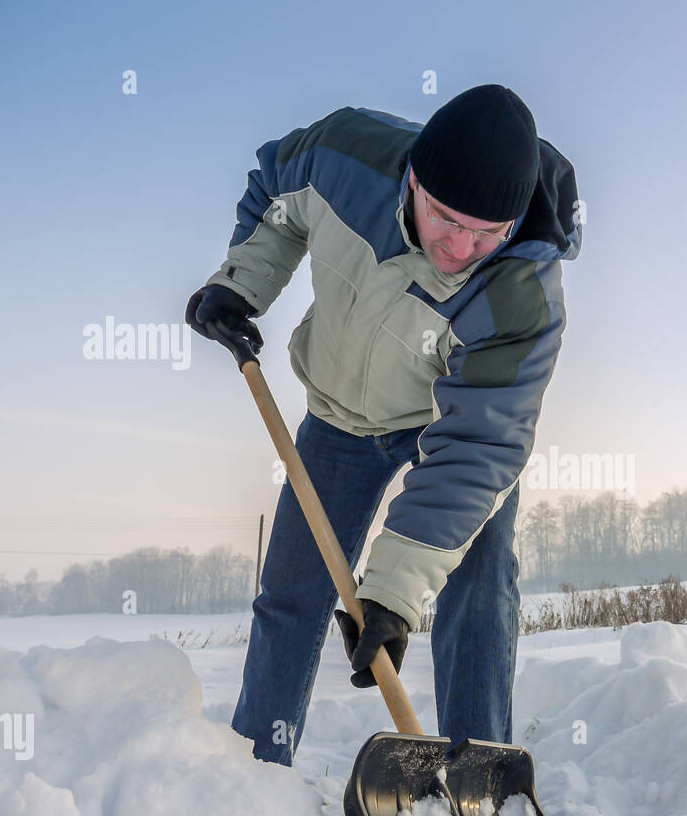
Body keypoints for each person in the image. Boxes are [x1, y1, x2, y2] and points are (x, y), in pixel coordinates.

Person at [185, 85, 581, 766]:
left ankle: (476, 770)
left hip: (453, 430)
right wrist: (241, 283)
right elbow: (276, 202)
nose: (460, 247)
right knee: (292, 592)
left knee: (480, 591)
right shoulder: (344, 156)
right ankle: (255, 772)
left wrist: (393, 597)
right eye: (445, 218)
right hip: (342, 415)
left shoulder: (522, 294)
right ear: (413, 180)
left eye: (488, 233)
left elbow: (479, 446)